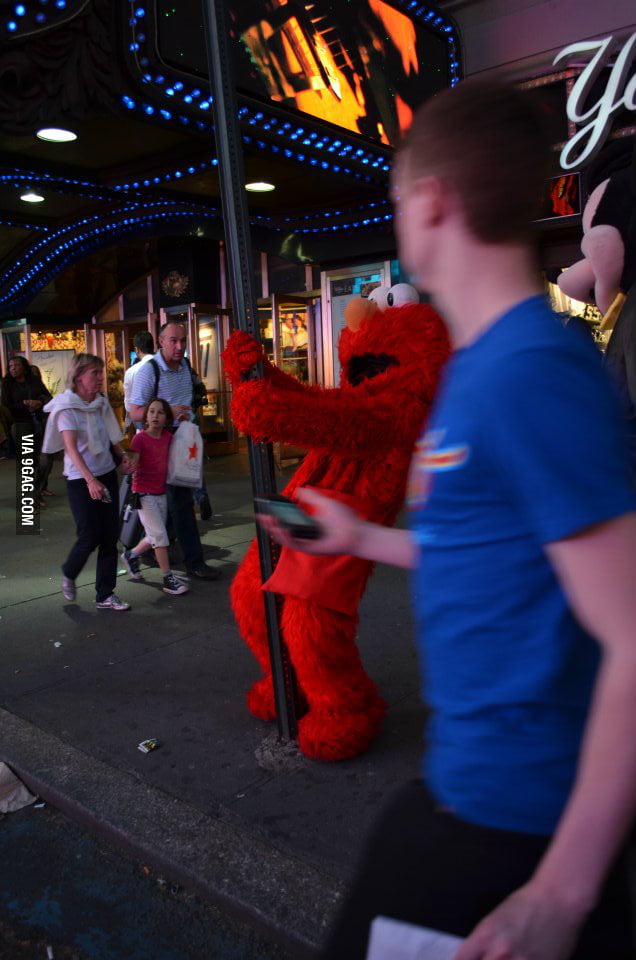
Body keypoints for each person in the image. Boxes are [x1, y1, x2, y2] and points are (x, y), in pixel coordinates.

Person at [259, 78, 636, 960]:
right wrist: (358, 537)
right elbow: (489, 549)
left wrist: (560, 893)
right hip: (465, 794)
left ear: (430, 203)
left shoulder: (530, 371)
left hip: (518, 830)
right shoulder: (485, 366)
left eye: (396, 199)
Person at [42, 353, 135, 611]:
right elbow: (70, 449)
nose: (100, 378)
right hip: (79, 479)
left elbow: (112, 434)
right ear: (79, 375)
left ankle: (105, 594)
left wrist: (123, 458)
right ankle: (69, 573)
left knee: (109, 535)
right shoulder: (66, 407)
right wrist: (90, 480)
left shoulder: (100, 402)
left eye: (100, 373)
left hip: (105, 473)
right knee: (89, 534)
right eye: (94, 373)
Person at [128, 321, 221, 580]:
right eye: (173, 341)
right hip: (158, 450)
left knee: (173, 504)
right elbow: (135, 412)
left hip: (181, 446)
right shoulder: (149, 371)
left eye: (183, 341)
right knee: (181, 505)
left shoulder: (184, 368)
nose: (179, 346)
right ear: (160, 341)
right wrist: (168, 411)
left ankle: (145, 551)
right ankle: (194, 562)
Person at [121, 397, 188, 596]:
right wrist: (128, 463)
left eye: (159, 412)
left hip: (160, 492)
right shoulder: (140, 438)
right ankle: (168, 578)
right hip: (143, 493)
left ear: (166, 417)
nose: (155, 416)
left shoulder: (168, 438)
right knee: (160, 536)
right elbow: (132, 462)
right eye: (151, 411)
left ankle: (131, 555)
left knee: (153, 535)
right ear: (146, 416)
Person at [2, 356, 52, 501]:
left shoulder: (34, 381)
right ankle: (30, 499)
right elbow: (6, 406)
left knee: (45, 461)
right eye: (10, 366)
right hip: (21, 424)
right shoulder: (7, 384)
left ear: (24, 366)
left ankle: (37, 490)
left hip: (39, 422)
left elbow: (48, 397)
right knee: (27, 461)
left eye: (16, 365)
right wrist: (24, 404)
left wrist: (39, 402)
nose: (13, 368)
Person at [123, 330, 155, 429]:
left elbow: (129, 405)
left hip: (143, 424)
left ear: (136, 349)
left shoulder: (131, 371)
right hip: (166, 422)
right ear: (153, 346)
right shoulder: (164, 366)